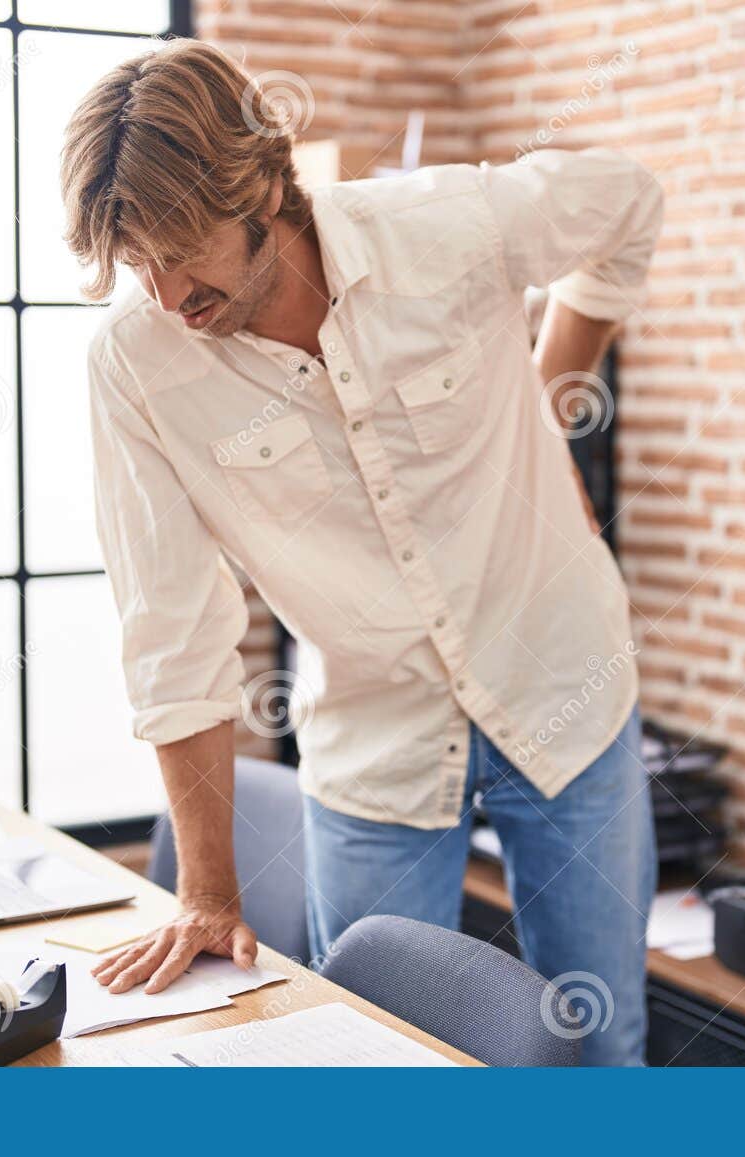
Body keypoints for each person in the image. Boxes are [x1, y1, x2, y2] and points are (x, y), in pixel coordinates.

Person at [60, 39, 664, 1065]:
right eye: (136, 265)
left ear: (259, 187)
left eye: (183, 250)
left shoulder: (451, 227)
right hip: (374, 734)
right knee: (379, 1055)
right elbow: (173, 630)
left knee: (599, 1044)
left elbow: (630, 201)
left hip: (563, 675)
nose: (165, 295)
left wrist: (555, 401)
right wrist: (207, 891)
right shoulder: (134, 368)